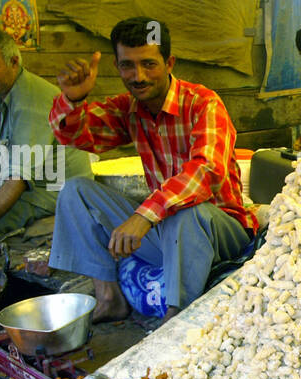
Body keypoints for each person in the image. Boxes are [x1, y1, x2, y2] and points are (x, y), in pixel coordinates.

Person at [48, 17, 256, 322]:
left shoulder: (204, 104)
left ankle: (176, 318)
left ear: (169, 62)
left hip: (220, 232)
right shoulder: (129, 109)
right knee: (75, 192)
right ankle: (109, 298)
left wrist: (144, 215)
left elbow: (206, 172)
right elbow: (77, 135)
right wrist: (73, 99)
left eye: (149, 64)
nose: (138, 76)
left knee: (186, 210)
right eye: (127, 66)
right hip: (166, 233)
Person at [0, 26, 92, 256]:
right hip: (25, 170)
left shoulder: (29, 101)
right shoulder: (3, 89)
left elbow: (20, 178)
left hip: (54, 190)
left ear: (13, 61)